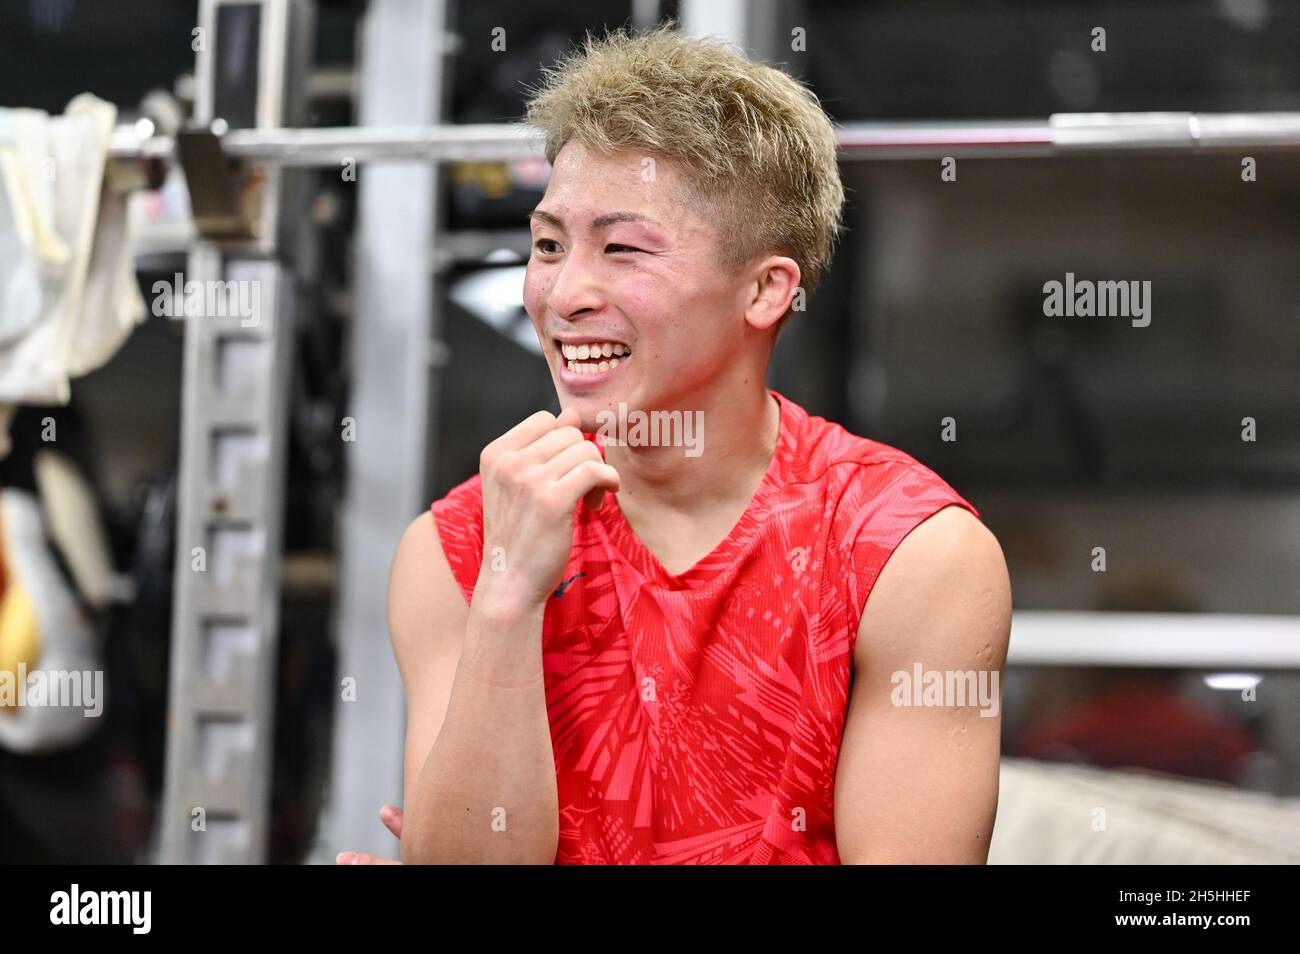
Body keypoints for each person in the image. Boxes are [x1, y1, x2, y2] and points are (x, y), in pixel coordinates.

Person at [337, 22, 1011, 865]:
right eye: (549, 244)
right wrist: (506, 604)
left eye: (622, 249)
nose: (563, 293)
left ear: (765, 291)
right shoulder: (461, 547)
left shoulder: (909, 554)